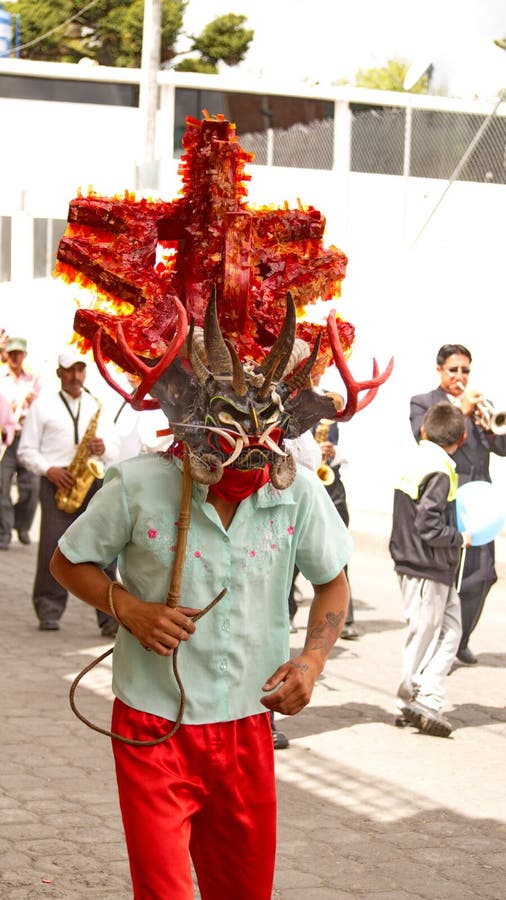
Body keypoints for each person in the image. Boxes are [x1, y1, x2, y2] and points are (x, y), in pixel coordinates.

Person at [48, 296, 356, 900]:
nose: (251, 475)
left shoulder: (294, 492)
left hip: (246, 726)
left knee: (243, 891)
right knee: (165, 892)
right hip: (152, 725)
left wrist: (312, 662)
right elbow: (66, 560)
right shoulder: (137, 484)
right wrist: (129, 609)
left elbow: (334, 581)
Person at [410, 344, 506, 665]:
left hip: (480, 502)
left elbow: (502, 448)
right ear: (440, 370)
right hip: (447, 498)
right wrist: (461, 413)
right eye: (454, 369)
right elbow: (423, 438)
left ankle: (459, 639)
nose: (460, 376)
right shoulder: (424, 403)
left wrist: (493, 425)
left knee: (483, 576)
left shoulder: (479, 407)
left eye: (465, 370)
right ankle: (438, 645)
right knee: (444, 577)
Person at [17, 350, 120, 635]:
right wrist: (49, 470)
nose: (75, 376)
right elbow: (26, 450)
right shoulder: (42, 406)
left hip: (91, 481)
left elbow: (116, 445)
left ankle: (110, 616)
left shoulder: (96, 405)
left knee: (103, 549)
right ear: (59, 373)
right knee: (51, 547)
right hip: (57, 482)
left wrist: (104, 448)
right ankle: (49, 610)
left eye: (80, 370)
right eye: (69, 370)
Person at [389, 401, 471, 738]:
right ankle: (410, 700)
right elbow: (429, 525)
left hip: (429, 568)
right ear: (462, 439)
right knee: (424, 635)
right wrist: (458, 538)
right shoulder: (439, 469)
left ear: (423, 430)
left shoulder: (416, 458)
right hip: (426, 567)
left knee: (451, 630)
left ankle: (429, 697)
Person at [0, 337, 41, 549]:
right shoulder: (1, 379)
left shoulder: (33, 381)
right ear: (7, 355)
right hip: (4, 440)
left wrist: (32, 404)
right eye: (12, 353)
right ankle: (4, 533)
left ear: (24, 355)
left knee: (32, 488)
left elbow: (42, 410)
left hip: (26, 437)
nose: (16, 357)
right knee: (2, 487)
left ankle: (21, 524)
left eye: (19, 353)